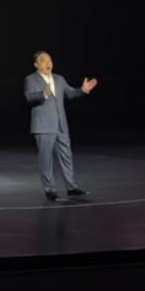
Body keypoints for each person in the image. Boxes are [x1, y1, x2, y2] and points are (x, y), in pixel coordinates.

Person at [24, 51, 97, 201]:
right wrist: (43, 94)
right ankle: (50, 190)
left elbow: (70, 93)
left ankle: (71, 188)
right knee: (46, 159)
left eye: (49, 60)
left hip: (61, 125)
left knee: (66, 156)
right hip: (44, 126)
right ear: (36, 65)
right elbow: (29, 96)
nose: (47, 62)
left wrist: (82, 90)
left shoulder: (59, 79)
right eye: (43, 60)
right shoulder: (31, 79)